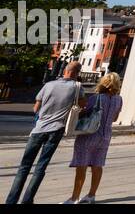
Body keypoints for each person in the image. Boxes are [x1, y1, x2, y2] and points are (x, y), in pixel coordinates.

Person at [6, 61, 85, 204]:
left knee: (24, 166)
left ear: (65, 71)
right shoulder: (77, 88)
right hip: (56, 130)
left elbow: (36, 108)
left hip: (38, 129)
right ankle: (27, 200)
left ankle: (11, 201)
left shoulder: (48, 85)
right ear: (77, 73)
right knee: (40, 167)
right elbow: (81, 107)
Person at [64, 72, 124, 204]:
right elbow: (114, 118)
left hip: (89, 135)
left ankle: (74, 198)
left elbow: (83, 112)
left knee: (82, 165)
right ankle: (91, 195)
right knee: (97, 165)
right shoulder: (119, 99)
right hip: (105, 136)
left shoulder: (95, 98)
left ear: (104, 82)